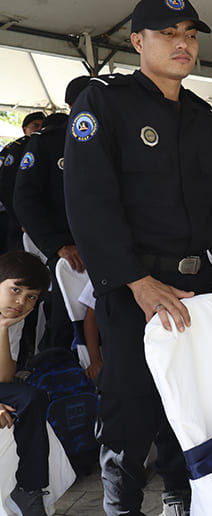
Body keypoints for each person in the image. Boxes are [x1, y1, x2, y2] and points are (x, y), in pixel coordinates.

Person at [62, 1, 212, 514]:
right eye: (168, 33)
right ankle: (121, 506)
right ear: (136, 42)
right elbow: (89, 203)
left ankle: (179, 498)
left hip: (195, 288)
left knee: (188, 406)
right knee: (131, 410)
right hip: (133, 289)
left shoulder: (200, 116)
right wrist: (135, 281)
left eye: (191, 34)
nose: (183, 43)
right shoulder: (104, 104)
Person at [14, 76, 90, 352]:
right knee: (64, 319)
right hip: (70, 252)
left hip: (111, 248)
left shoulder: (116, 140)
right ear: (71, 106)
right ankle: (56, 378)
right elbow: (24, 199)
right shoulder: (49, 142)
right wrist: (57, 245)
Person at [0, 251, 51, 516]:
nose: (21, 301)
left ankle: (29, 490)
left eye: (31, 296)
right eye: (15, 289)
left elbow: (4, 380)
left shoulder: (12, 318)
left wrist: (3, 329)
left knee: (33, 397)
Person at [0, 112, 44, 253]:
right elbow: (6, 184)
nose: (39, 129)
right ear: (25, 129)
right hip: (15, 213)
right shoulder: (18, 147)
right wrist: (20, 218)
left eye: (42, 126)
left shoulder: (44, 145)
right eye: (35, 126)